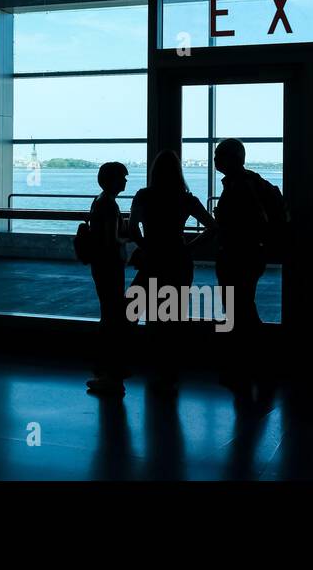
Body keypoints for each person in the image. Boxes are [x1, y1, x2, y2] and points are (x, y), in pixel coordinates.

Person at [128, 150, 215, 393]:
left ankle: (122, 365)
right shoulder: (186, 199)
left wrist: (147, 248)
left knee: (132, 311)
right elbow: (212, 228)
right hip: (178, 261)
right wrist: (188, 248)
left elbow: (133, 230)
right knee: (172, 318)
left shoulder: (143, 196)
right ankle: (168, 371)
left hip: (152, 261)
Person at [213, 138, 278, 400]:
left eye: (218, 154)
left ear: (230, 158)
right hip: (253, 255)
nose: (215, 159)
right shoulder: (253, 181)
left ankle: (254, 366)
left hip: (237, 256)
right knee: (244, 309)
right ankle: (253, 367)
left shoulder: (237, 186)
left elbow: (235, 226)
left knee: (241, 312)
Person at [86, 162, 130, 397]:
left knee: (108, 315)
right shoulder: (110, 206)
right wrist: (129, 238)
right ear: (113, 180)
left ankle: (106, 371)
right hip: (111, 267)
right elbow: (111, 241)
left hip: (100, 267)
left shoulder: (98, 201)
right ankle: (113, 372)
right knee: (114, 318)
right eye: (123, 177)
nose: (125, 181)